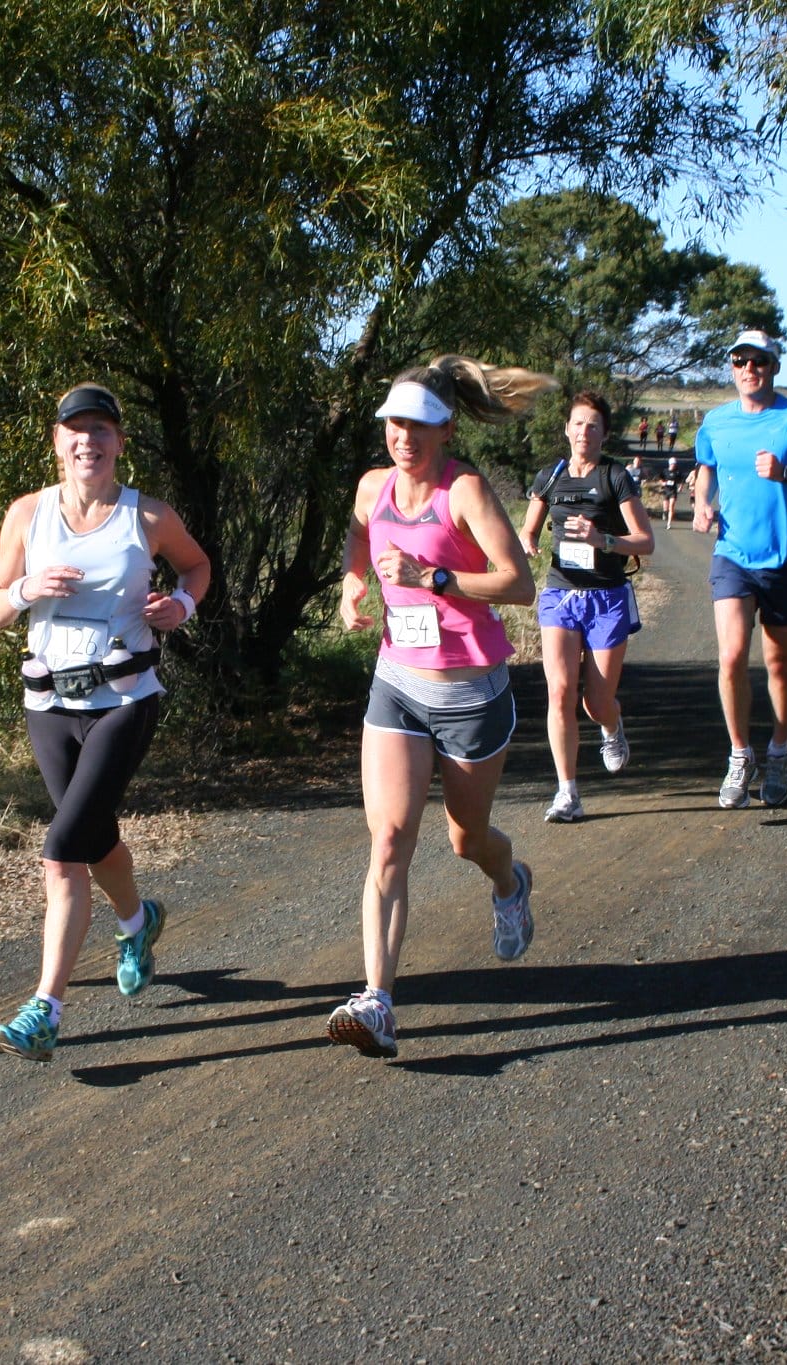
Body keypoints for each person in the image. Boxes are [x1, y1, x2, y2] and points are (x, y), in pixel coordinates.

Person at [0, 383, 211, 1062]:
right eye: (74, 430)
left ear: (118, 442)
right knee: (92, 833)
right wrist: (27, 590)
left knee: (61, 849)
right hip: (50, 704)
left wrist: (180, 605)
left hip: (124, 699)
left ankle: (44, 1009)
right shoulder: (26, 514)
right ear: (57, 442)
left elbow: (197, 566)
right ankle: (138, 922)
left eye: (101, 430)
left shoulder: (147, 517)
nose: (88, 441)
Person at [330, 355, 545, 1060]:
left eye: (419, 424)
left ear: (447, 426)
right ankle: (378, 1001)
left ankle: (510, 881)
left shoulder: (465, 493)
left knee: (466, 840)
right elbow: (361, 536)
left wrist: (435, 577)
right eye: (394, 422)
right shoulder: (372, 487)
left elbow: (520, 584)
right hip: (398, 682)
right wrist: (351, 585)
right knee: (390, 839)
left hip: (469, 693)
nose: (404, 436)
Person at [690, 329, 787, 808]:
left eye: (758, 362)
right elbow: (706, 470)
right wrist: (701, 506)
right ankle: (740, 756)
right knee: (732, 656)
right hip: (733, 554)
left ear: (774, 367)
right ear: (732, 367)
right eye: (740, 361)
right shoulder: (716, 422)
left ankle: (779, 750)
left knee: (779, 661)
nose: (748, 369)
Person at [519, 391, 656, 824]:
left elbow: (645, 541)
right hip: (561, 594)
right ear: (566, 429)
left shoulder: (615, 477)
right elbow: (529, 526)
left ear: (605, 434)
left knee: (595, 702)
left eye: (593, 425)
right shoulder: (551, 475)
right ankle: (567, 793)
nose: (584, 432)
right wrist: (528, 543)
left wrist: (604, 541)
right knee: (559, 692)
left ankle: (612, 726)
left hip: (606, 598)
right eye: (578, 423)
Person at [661, 455, 683, 530]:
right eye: (672, 464)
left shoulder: (677, 472)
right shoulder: (665, 471)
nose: (674, 465)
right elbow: (661, 478)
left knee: (671, 507)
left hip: (673, 491)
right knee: (665, 508)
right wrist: (663, 483)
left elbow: (681, 480)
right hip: (666, 490)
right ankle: (664, 513)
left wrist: (680, 487)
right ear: (670, 464)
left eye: (675, 464)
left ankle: (669, 523)